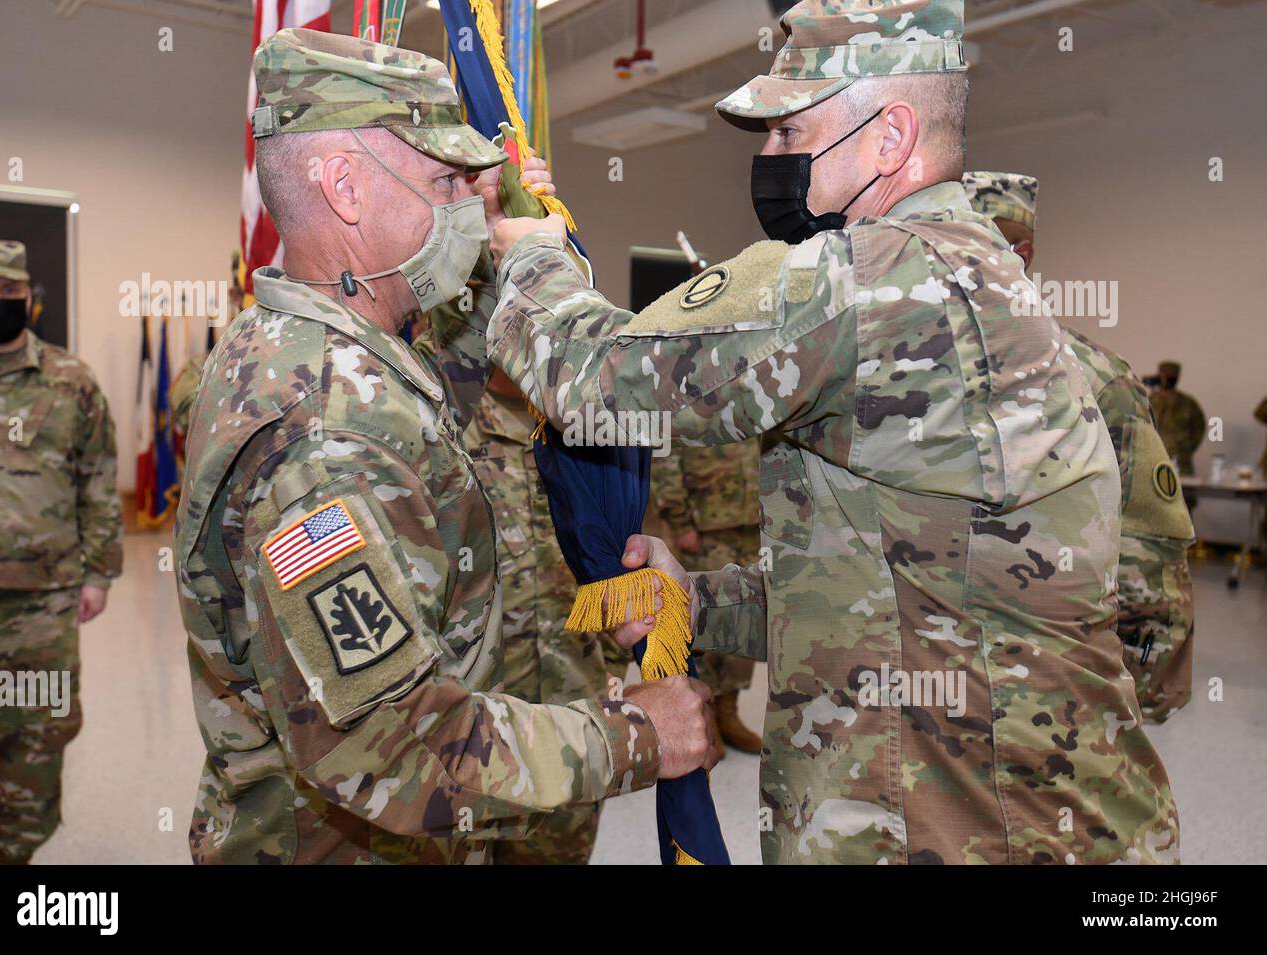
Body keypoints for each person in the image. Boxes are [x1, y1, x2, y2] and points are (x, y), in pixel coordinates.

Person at [487, 0, 1179, 863]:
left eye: (788, 134)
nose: (767, 159)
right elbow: (880, 590)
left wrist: (527, 252)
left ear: (890, 138)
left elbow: (586, 381)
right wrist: (696, 603)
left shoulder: (876, 282)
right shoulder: (966, 266)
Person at [173, 29, 714, 865]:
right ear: (346, 189)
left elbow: (485, 394)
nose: (472, 200)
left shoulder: (342, 352)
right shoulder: (321, 431)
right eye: (447, 181)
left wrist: (499, 239)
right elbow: (387, 745)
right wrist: (637, 733)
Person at [964, 171, 1194, 722]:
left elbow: (1146, 548)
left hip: (1042, 698)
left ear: (1020, 254)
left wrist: (1131, 695)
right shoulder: (893, 371)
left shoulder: (1092, 380)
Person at [0, 239, 122, 865]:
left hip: (42, 603)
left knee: (32, 736)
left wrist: (100, 574)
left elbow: (99, 476)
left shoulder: (70, 380)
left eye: (9, 292)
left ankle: (9, 856)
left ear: (29, 298)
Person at [465, 370, 627, 863]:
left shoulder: (586, 431)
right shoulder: (447, 429)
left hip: (574, 709)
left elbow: (624, 558)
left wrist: (615, 674)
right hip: (474, 726)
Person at [652, 442, 763, 755]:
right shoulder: (686, 401)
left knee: (748, 620)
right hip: (706, 528)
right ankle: (703, 713)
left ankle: (729, 710)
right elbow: (666, 461)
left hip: (753, 526)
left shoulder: (753, 400)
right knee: (706, 621)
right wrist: (679, 521)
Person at [1150, 362, 1205, 476]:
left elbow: (1199, 428)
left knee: (1183, 492)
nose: (1168, 379)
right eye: (1165, 375)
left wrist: (1185, 447)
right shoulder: (1149, 401)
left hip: (1180, 464)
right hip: (1153, 461)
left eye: (1171, 376)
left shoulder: (1187, 403)